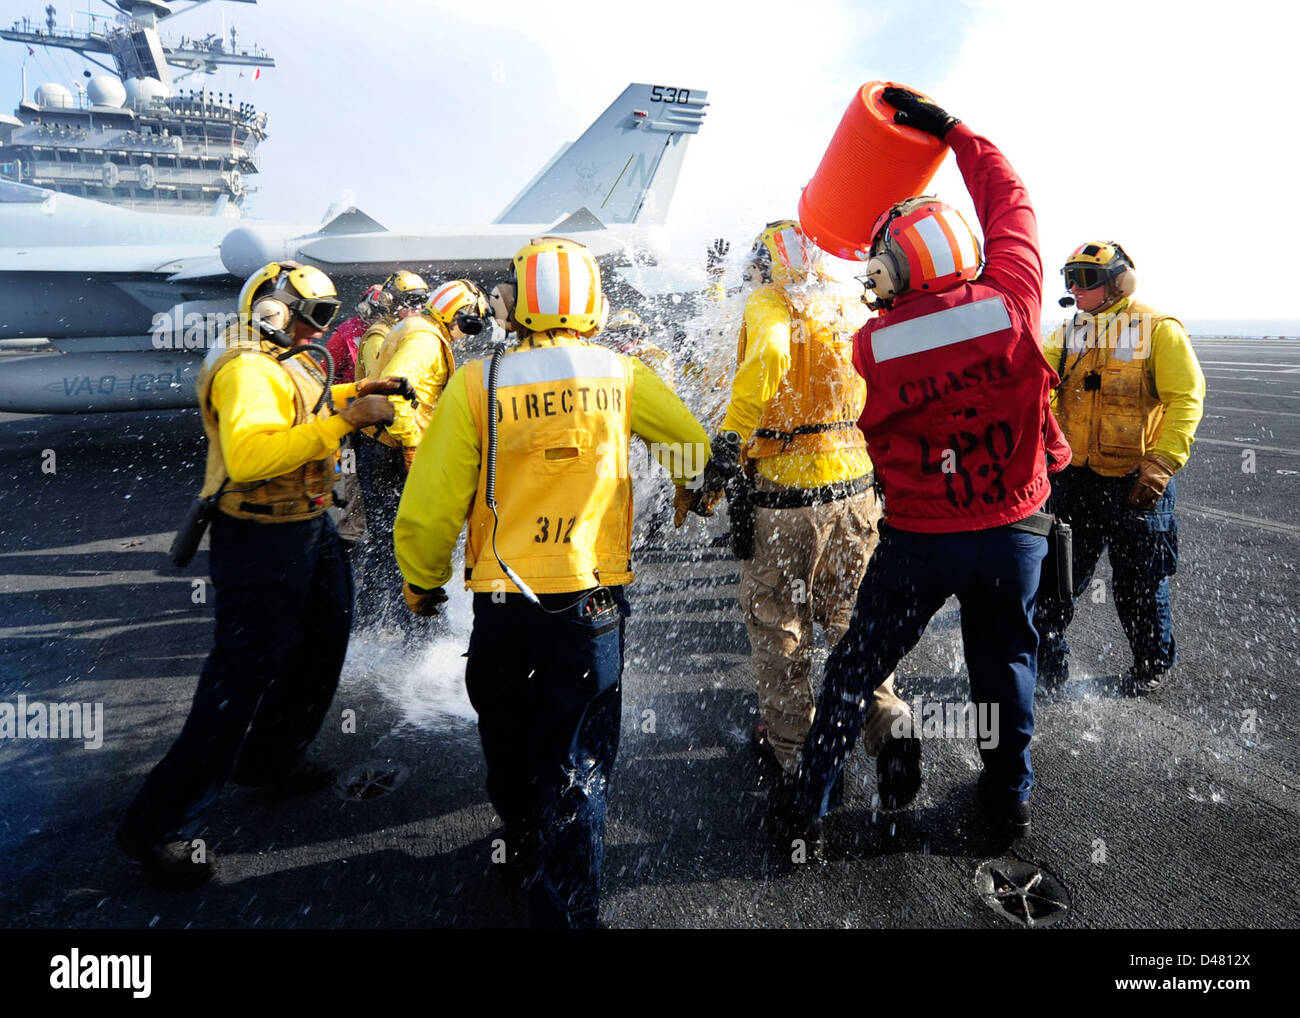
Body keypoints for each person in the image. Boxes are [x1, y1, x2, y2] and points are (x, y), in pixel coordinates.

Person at [393, 236, 711, 928]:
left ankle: (521, 825)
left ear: (513, 303)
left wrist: (421, 585)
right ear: (591, 304)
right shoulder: (624, 374)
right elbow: (691, 443)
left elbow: (428, 508)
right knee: (578, 757)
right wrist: (696, 489)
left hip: (503, 600)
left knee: (505, 726)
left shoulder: (479, 382)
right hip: (590, 599)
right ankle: (566, 909)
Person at [786, 88, 1072, 843]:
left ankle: (806, 807)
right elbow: (1013, 204)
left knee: (854, 670)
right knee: (1006, 666)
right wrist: (955, 132)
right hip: (1016, 529)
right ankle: (1008, 798)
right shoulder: (1014, 299)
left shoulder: (872, 344)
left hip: (920, 541)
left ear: (890, 271)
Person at [118, 260, 405, 887]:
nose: (316, 333)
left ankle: (271, 756)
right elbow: (250, 457)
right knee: (237, 681)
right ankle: (153, 828)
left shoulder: (278, 357)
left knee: (325, 637)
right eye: (312, 319)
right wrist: (347, 422)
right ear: (276, 310)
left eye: (325, 321)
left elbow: (305, 398)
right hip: (260, 537)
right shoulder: (247, 367)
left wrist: (362, 391)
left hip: (306, 526)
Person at [684, 219, 917, 806]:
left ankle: (797, 756)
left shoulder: (771, 302)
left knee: (779, 623)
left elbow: (764, 359)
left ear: (769, 265)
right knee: (850, 619)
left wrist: (731, 441)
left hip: (787, 500)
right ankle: (888, 724)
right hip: (856, 490)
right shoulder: (848, 304)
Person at [1035, 242, 1205, 696]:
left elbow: (1186, 399)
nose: (1074, 287)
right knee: (1057, 580)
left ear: (1119, 282)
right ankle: (1048, 663)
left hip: (1137, 483)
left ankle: (1150, 664)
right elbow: (1037, 386)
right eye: (1069, 277)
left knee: (1140, 585)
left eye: (1085, 279)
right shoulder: (1067, 333)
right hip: (1075, 480)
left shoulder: (1157, 330)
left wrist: (1163, 463)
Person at [326, 282, 392, 545]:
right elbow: (324, 375)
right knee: (352, 474)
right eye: (372, 311)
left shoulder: (392, 332)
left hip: (378, 421)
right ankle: (351, 530)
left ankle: (369, 526)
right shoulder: (344, 335)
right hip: (350, 421)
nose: (375, 317)